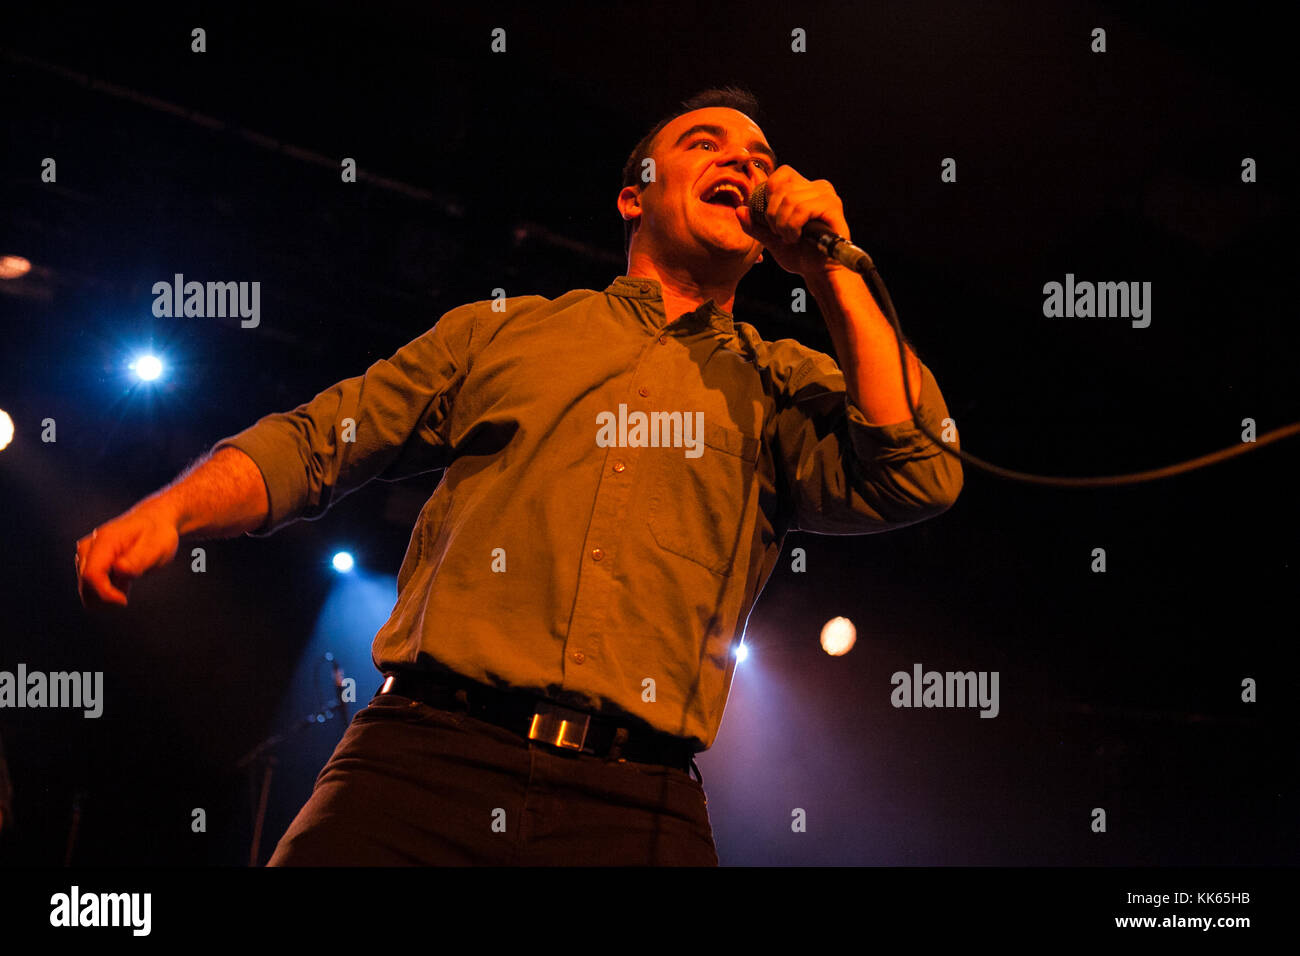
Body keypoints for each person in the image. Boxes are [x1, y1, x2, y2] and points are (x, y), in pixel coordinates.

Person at [75, 88, 963, 865]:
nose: (744, 161)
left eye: (760, 159)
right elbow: (320, 440)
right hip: (419, 762)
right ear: (633, 195)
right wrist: (177, 509)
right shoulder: (502, 333)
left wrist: (830, 266)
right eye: (705, 144)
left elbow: (921, 471)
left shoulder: (783, 383)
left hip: (635, 804)